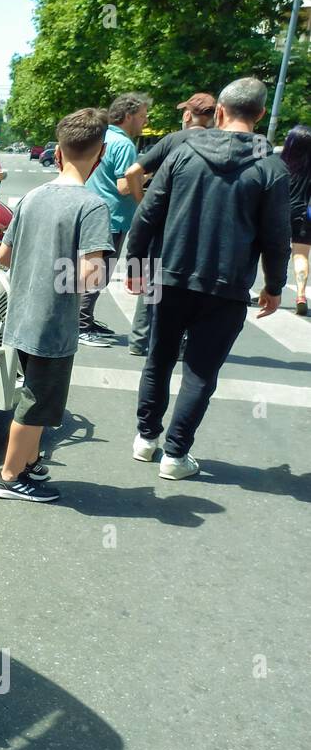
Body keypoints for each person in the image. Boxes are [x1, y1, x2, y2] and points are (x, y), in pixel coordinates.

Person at [125, 77, 290, 481]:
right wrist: (274, 285)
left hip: (170, 274)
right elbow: (276, 236)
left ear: (219, 112)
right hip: (227, 285)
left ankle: (146, 439)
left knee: (158, 358)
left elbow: (150, 213)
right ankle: (176, 455)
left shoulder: (183, 152)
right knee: (200, 372)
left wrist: (134, 263)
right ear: (262, 115)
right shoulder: (270, 166)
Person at [0, 108, 112, 503]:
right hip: (53, 324)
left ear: (57, 151)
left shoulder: (31, 197)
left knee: (35, 396)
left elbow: (4, 256)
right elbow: (91, 277)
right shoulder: (91, 206)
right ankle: (9, 477)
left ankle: (27, 463)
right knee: (37, 401)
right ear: (102, 152)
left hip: (21, 316)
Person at [117, 92, 216, 353]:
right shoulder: (221, 143)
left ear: (187, 115)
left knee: (151, 277)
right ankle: (179, 343)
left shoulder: (174, 140)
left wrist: (143, 201)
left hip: (167, 219)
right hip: (205, 223)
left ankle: (139, 341)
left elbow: (132, 172)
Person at [81, 92, 151, 346]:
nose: (144, 121)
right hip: (112, 217)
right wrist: (147, 176)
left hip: (93, 212)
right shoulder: (123, 145)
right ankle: (81, 325)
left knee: (88, 270)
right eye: (142, 116)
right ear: (129, 115)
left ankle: (84, 319)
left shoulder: (101, 136)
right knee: (98, 274)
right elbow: (124, 186)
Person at [281, 123, 311, 315]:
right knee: (301, 255)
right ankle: (301, 294)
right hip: (307, 215)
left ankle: (270, 287)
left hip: (281, 213)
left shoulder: (281, 165)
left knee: (273, 251)